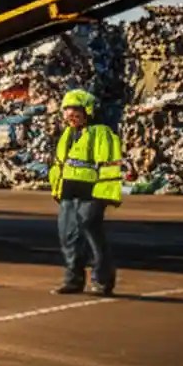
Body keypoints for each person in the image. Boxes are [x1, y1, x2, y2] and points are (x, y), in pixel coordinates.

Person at [47, 89, 123, 296]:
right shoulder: (68, 134)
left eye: (75, 111)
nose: (70, 116)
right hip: (69, 193)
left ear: (87, 111)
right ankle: (73, 280)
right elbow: (59, 164)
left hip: (91, 194)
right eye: (67, 112)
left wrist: (104, 195)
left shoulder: (101, 133)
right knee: (68, 237)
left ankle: (103, 279)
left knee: (92, 234)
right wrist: (57, 188)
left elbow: (108, 165)